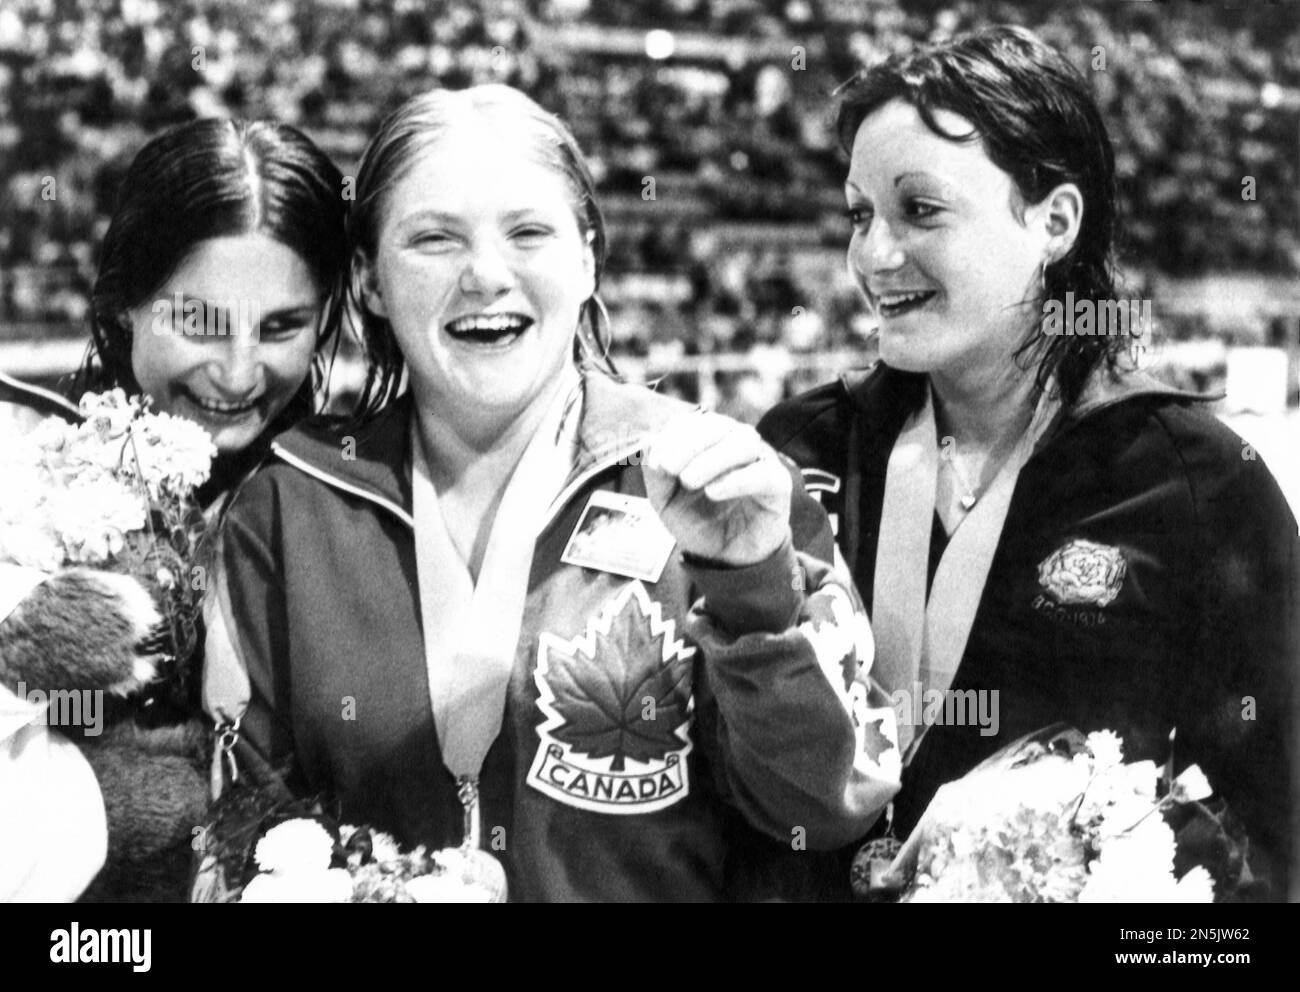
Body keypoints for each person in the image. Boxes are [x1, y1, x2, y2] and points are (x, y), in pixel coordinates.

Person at [205, 84, 901, 902]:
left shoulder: (723, 488)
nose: (484, 274)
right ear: (370, 282)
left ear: (587, 259)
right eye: (434, 239)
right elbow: (243, 840)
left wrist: (752, 591)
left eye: (528, 232)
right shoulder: (289, 509)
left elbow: (825, 806)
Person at [759, 26, 1298, 899]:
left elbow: (1272, 850)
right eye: (860, 215)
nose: (873, 255)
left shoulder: (1197, 484)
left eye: (920, 210)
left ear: (1054, 222)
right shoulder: (800, 453)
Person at [0, 117, 348, 901]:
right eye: (199, 322)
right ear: (125, 301)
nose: (239, 373)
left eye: (282, 327)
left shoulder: (349, 501)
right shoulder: (19, 472)